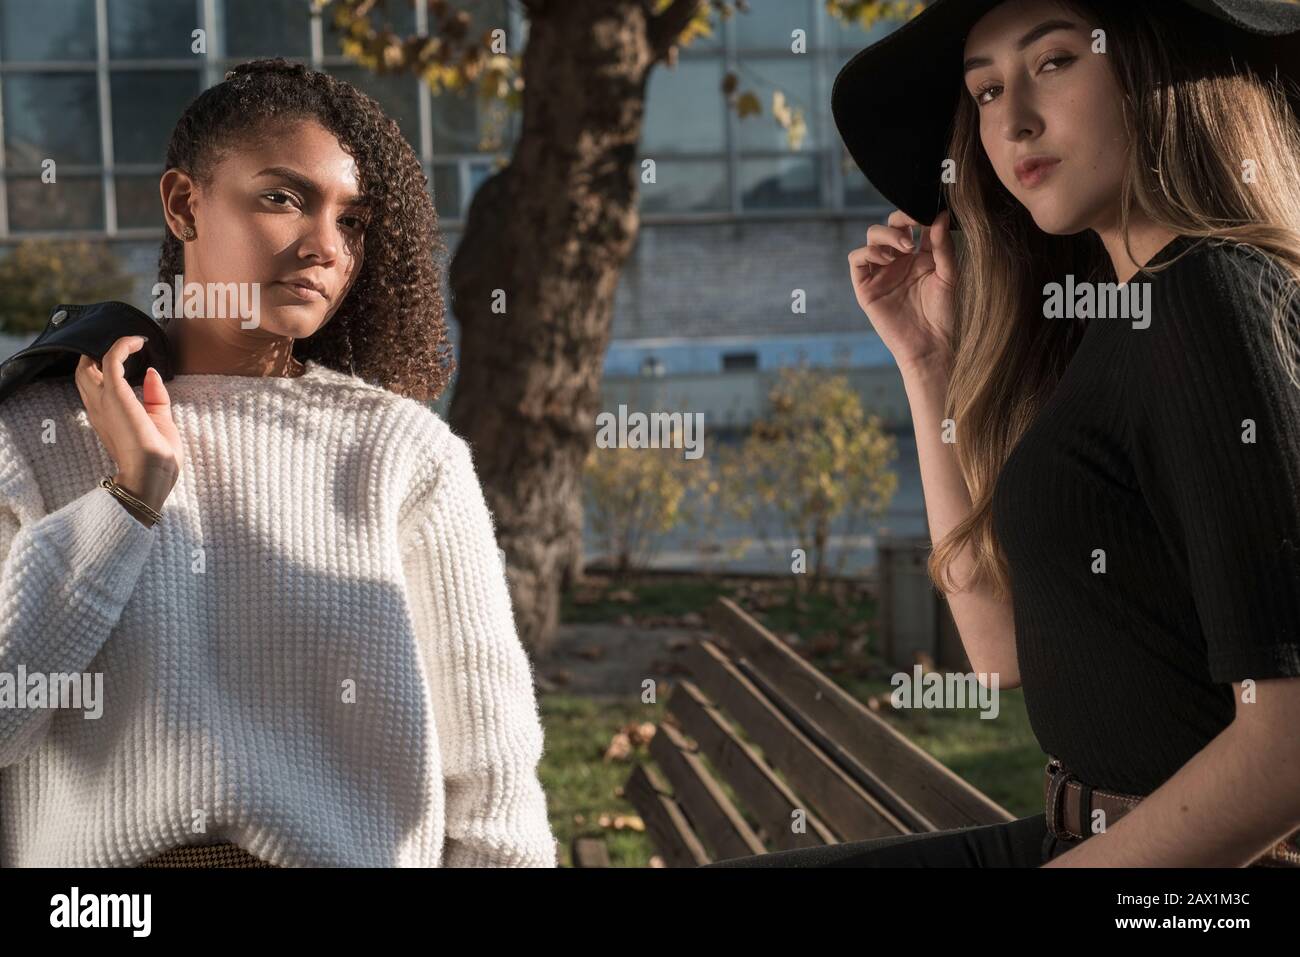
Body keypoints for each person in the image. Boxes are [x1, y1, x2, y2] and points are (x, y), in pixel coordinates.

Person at [708, 0, 1300, 867]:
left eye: (1053, 62)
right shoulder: (1117, 317)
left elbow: (1285, 750)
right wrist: (927, 366)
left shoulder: (1211, 299)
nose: (1013, 118)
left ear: (1161, 67)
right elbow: (997, 649)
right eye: (984, 92)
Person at [0, 59, 557, 868]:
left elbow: (496, 800)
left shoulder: (404, 455)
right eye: (283, 198)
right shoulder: (39, 429)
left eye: (353, 220)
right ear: (185, 203)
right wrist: (126, 501)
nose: (325, 246)